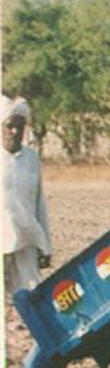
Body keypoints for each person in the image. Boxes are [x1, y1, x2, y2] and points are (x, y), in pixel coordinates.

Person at [2, 96, 53, 297]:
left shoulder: (31, 158)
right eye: (10, 126)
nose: (15, 132)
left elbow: (39, 203)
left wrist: (45, 245)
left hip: (27, 238)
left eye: (20, 127)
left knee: (33, 300)